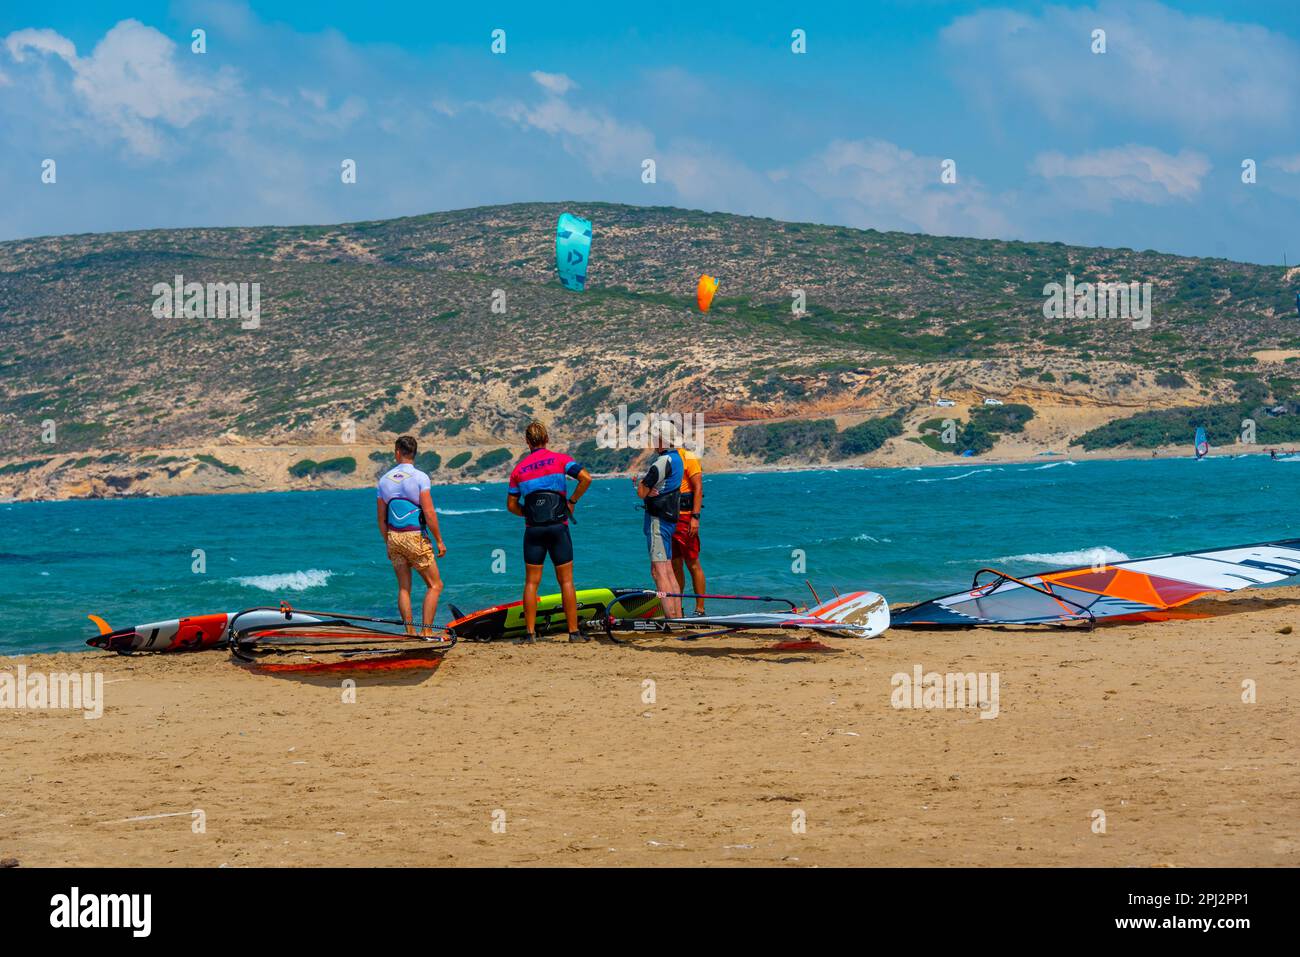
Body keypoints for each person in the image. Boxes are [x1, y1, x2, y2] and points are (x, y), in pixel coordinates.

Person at [506, 421, 592, 643]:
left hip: (533, 531)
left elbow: (511, 506)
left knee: (531, 583)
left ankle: (530, 634)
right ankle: (573, 633)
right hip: (558, 528)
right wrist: (572, 501)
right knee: (566, 581)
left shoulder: (518, 470)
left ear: (527, 442)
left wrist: (528, 513)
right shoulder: (561, 460)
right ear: (546, 439)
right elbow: (586, 478)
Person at [376, 435, 447, 636]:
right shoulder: (420, 477)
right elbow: (430, 512)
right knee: (435, 585)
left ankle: (410, 632)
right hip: (414, 536)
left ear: (397, 452)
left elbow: (381, 518)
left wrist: (388, 542)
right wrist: (439, 540)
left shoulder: (384, 480)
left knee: (404, 588)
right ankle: (427, 632)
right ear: (414, 453)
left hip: (394, 537)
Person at [634, 425, 684, 620]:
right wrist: (649, 490)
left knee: (659, 572)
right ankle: (678, 615)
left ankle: (670, 617)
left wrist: (641, 486)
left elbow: (642, 492)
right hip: (669, 519)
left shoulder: (661, 462)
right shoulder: (678, 458)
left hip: (657, 521)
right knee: (669, 570)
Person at [671, 441, 707, 616]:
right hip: (669, 518)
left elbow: (698, 487)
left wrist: (695, 516)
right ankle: (679, 608)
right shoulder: (667, 458)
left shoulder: (688, 457)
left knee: (692, 562)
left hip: (686, 516)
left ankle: (700, 608)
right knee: (675, 564)